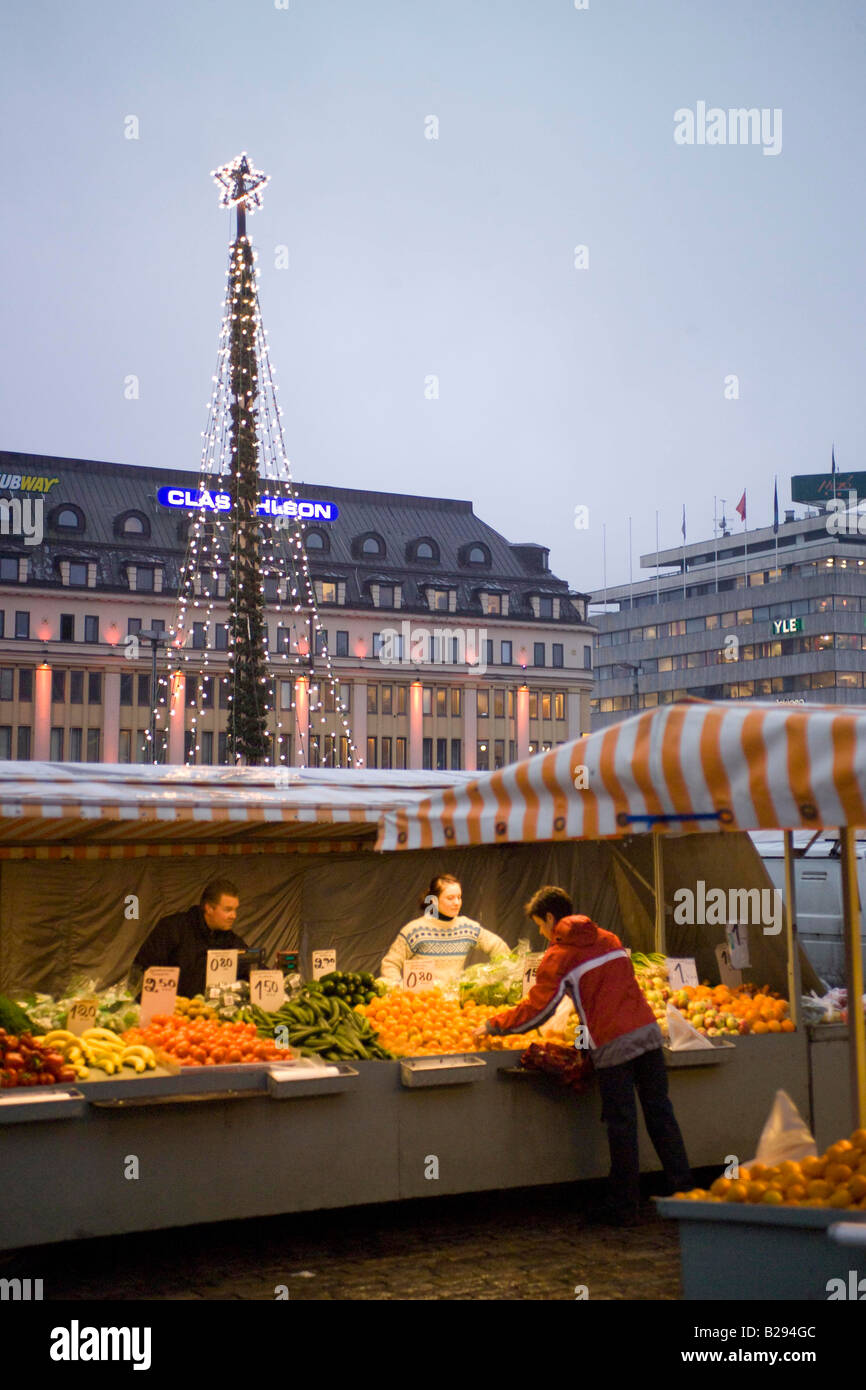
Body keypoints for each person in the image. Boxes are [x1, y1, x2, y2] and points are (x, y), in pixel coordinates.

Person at [474, 884, 693, 1225]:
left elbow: (538, 1009)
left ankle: (623, 1207)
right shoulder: (609, 937)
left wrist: (494, 1025)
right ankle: (684, 1194)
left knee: (622, 1124)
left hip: (614, 1044)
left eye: (540, 926)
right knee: (660, 1113)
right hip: (649, 1034)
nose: (542, 934)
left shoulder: (560, 954)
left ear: (550, 918)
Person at [380, 874, 510, 988]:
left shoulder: (467, 927)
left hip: (455, 1005)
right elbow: (390, 964)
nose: (457, 902)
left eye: (459, 897)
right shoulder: (414, 931)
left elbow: (499, 948)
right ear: (433, 901)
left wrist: (499, 976)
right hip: (421, 1006)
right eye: (450, 898)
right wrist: (398, 987)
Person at [133, 878, 250, 998]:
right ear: (209, 908)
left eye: (235, 909)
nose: (234, 916)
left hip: (210, 1013)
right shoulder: (172, 928)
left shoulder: (230, 939)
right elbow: (142, 969)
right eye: (228, 910)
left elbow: (251, 967)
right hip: (168, 1012)